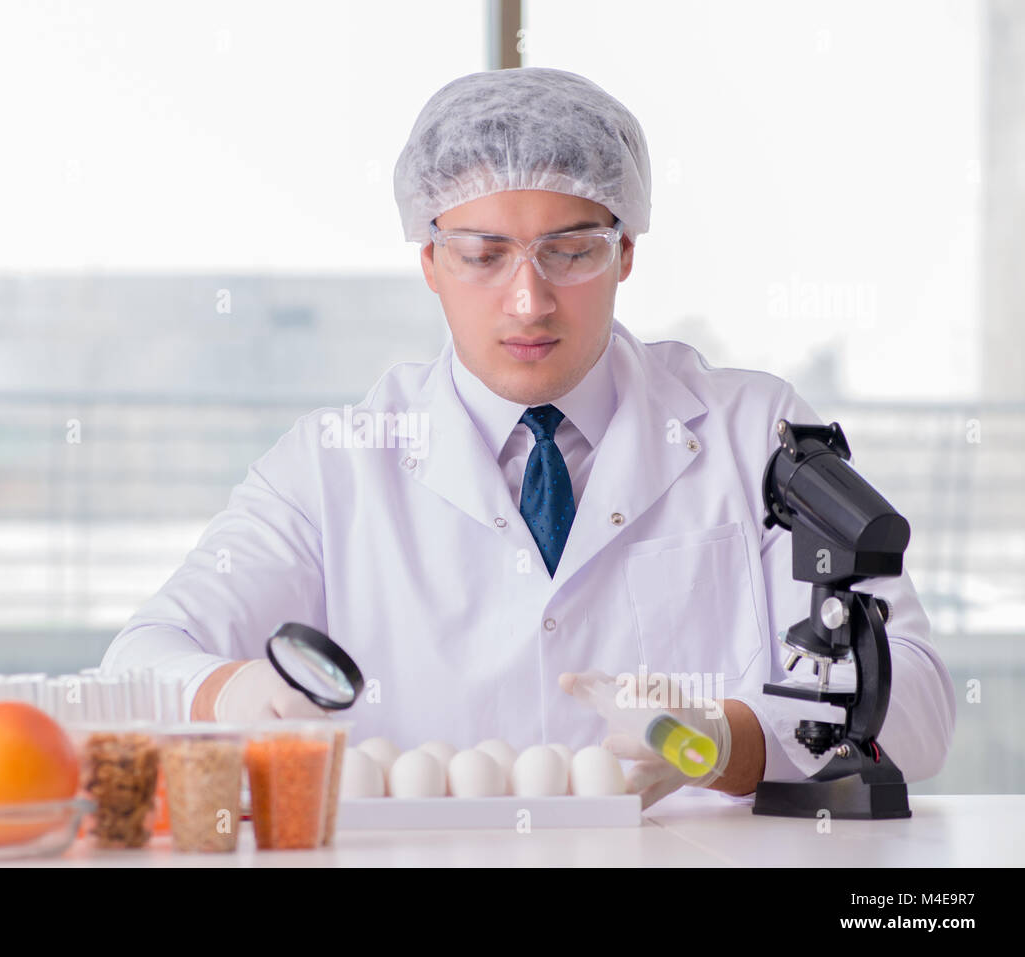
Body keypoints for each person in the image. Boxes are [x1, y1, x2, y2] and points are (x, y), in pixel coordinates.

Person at [102, 67, 955, 808]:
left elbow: (913, 693)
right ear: (428, 261)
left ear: (625, 251)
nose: (528, 301)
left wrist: (723, 742)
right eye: (483, 254)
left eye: (569, 250)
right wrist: (234, 691)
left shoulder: (753, 431)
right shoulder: (334, 465)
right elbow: (140, 660)